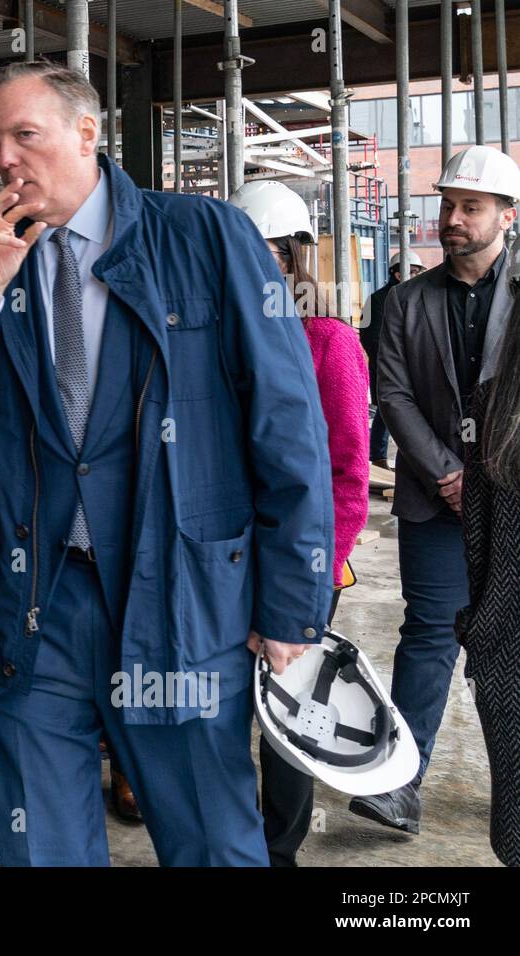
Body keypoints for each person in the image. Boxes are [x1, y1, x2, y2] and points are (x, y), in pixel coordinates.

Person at [0, 60, 333, 867]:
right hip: (36, 601)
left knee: (210, 838)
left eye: (23, 136)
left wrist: (289, 605)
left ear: (87, 134)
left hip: (177, 596)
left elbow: (286, 423)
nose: (4, 159)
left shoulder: (204, 237)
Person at [363, 144, 520, 835]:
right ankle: (400, 783)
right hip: (437, 497)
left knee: (510, 642)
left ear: (507, 216)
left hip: (512, 493)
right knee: (429, 635)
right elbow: (391, 393)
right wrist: (447, 474)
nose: (452, 218)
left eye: (470, 207)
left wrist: (494, 472)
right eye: (447, 204)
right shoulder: (404, 301)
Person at [229, 180, 370, 866]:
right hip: (227, 554)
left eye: (256, 254)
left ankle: (278, 850)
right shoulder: (220, 339)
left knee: (287, 717)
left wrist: (309, 587)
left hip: (306, 561)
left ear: (289, 259)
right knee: (227, 705)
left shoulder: (330, 342)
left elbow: (348, 477)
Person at [458, 293, 520, 868]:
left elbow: (478, 546)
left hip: (506, 647)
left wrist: (478, 627)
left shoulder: (493, 406)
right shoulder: (493, 408)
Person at [362, 249, 425, 468]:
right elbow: (370, 337)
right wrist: (394, 361)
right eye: (413, 271)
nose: (417, 276)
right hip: (387, 366)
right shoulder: (378, 300)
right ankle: (377, 455)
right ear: (398, 274)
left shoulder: (416, 298)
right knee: (387, 409)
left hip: (412, 365)